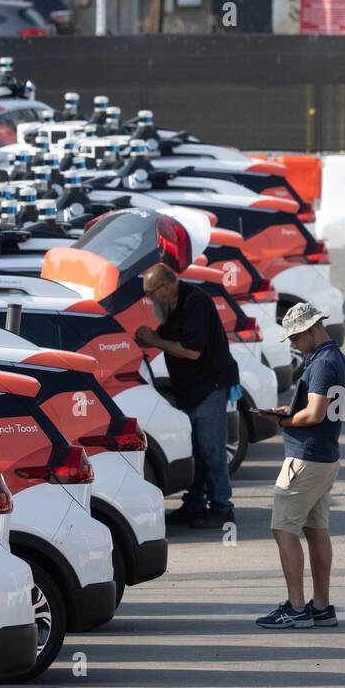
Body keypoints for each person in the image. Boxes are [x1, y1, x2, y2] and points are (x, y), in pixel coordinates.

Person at [133, 215, 240, 530]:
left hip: (209, 387)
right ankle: (195, 504)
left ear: (167, 286)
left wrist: (155, 340)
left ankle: (222, 506)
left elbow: (191, 350)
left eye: (153, 294)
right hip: (191, 389)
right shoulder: (173, 307)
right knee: (197, 449)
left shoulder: (195, 304)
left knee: (211, 450)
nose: (151, 300)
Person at [254, 303, 345, 629]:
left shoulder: (323, 363)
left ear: (312, 329)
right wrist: (295, 409)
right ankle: (322, 606)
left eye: (296, 337)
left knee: (283, 528)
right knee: (316, 529)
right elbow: (340, 410)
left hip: (307, 456)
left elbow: (314, 415)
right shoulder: (338, 359)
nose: (294, 344)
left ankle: (297, 609)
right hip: (326, 454)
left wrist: (285, 418)